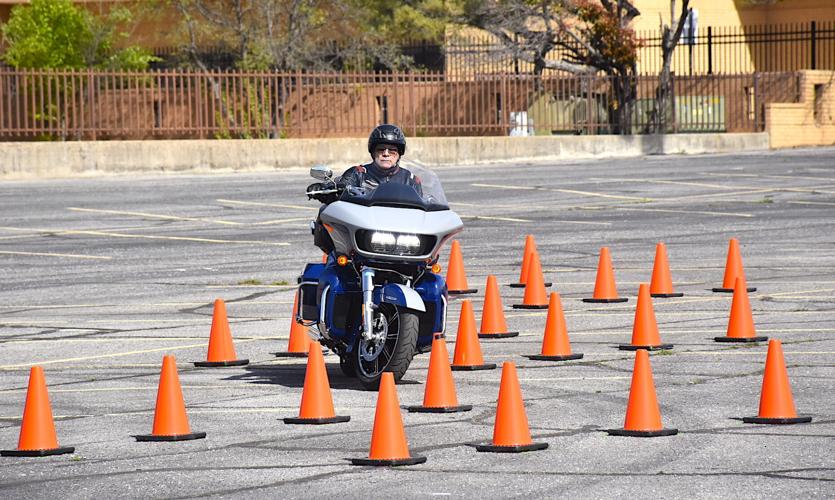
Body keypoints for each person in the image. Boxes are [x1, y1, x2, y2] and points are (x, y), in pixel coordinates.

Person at [311, 124, 422, 254]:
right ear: (373, 152)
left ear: (399, 154)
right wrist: (324, 189)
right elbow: (340, 185)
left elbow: (420, 212)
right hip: (364, 232)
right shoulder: (358, 173)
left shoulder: (411, 179)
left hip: (401, 237)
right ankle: (335, 258)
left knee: (426, 266)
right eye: (381, 149)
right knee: (326, 212)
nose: (386, 154)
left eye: (392, 150)